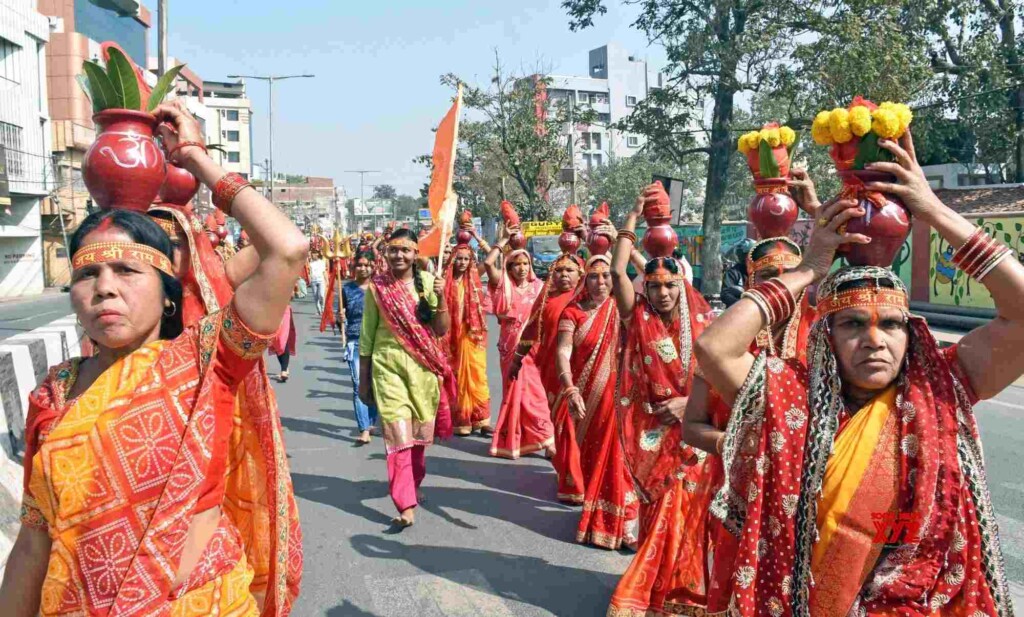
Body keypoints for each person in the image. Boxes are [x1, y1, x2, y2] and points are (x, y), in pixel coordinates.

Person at [0, 100, 308, 616]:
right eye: (86, 276)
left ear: (169, 294)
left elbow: (287, 248)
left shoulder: (207, 361)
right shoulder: (52, 396)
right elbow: (34, 544)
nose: (104, 290)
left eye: (126, 272)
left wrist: (195, 157)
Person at [695, 132, 1021, 615]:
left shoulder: (943, 388)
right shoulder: (792, 396)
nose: (874, 340)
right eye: (852, 324)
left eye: (891, 324)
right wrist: (808, 269)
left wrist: (933, 210)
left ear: (910, 332)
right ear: (826, 335)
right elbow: (712, 347)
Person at [681, 235, 814, 614]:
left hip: (813, 500)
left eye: (791, 274)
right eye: (770, 276)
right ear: (753, 283)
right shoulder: (729, 342)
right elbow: (692, 427)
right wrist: (737, 444)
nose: (782, 285)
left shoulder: (828, 335)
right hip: (740, 495)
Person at [606, 184, 716, 617]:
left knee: (690, 514)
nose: (664, 293)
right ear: (646, 290)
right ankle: (648, 595)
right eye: (655, 286)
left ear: (680, 284)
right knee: (661, 513)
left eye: (670, 285)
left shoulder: (705, 319)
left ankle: (685, 595)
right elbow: (617, 274)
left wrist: (689, 403)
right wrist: (632, 220)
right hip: (652, 436)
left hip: (693, 433)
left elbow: (720, 378)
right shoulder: (639, 318)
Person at [359, 228, 452, 528]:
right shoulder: (377, 288)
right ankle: (404, 504)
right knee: (398, 436)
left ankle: (414, 482)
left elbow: (440, 329)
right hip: (388, 371)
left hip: (423, 370)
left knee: (418, 439)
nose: (399, 256)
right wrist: (363, 381)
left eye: (405, 250)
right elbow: (366, 338)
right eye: (393, 250)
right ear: (385, 253)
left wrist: (441, 296)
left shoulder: (428, 282)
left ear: (415, 254)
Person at [552, 251, 639, 550]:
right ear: (584, 280)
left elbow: (652, 274)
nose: (600, 282)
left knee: (618, 457)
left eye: (606, 276)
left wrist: (623, 240)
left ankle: (621, 521)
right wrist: (569, 389)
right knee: (592, 457)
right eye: (593, 276)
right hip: (585, 398)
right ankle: (601, 518)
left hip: (622, 396)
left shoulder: (623, 307)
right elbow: (562, 352)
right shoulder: (572, 312)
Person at [510, 248, 584, 503]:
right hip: (554, 376)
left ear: (580, 274)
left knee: (581, 429)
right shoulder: (546, 300)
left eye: (570, 271)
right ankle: (569, 477)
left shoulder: (589, 301)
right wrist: (516, 361)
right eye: (559, 271)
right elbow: (530, 331)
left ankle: (582, 480)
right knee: (563, 428)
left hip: (587, 375)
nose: (564, 275)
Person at [483, 225, 555, 459]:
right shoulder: (503, 286)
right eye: (516, 264)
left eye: (525, 264)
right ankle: (536, 438)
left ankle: (541, 438)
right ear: (509, 267)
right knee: (518, 394)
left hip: (536, 348)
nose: (522, 268)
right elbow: (487, 264)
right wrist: (502, 240)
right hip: (510, 348)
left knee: (536, 394)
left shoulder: (539, 287)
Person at [443, 236, 493, 436]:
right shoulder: (443, 279)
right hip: (451, 336)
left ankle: (481, 419)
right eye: (459, 258)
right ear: (453, 259)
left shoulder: (473, 276)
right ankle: (461, 419)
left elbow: (491, 258)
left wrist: (481, 239)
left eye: (466, 259)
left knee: (477, 376)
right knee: (455, 377)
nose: (462, 263)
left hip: (472, 335)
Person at [342, 251, 379, 444]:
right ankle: (363, 428)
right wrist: (340, 319)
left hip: (377, 342)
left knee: (374, 385)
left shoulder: (379, 288)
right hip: (355, 341)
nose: (363, 268)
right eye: (359, 265)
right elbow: (338, 318)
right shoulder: (346, 290)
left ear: (373, 266)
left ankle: (372, 421)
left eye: (367, 265)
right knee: (358, 385)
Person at [308, 249, 327, 315]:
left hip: (321, 280)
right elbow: (310, 272)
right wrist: (310, 279)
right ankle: (319, 311)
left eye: (314, 253)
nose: (312, 255)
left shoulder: (322, 262)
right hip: (314, 281)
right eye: (312, 254)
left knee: (322, 295)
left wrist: (327, 281)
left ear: (317, 254)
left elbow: (324, 272)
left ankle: (323, 309)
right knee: (316, 297)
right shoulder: (310, 263)